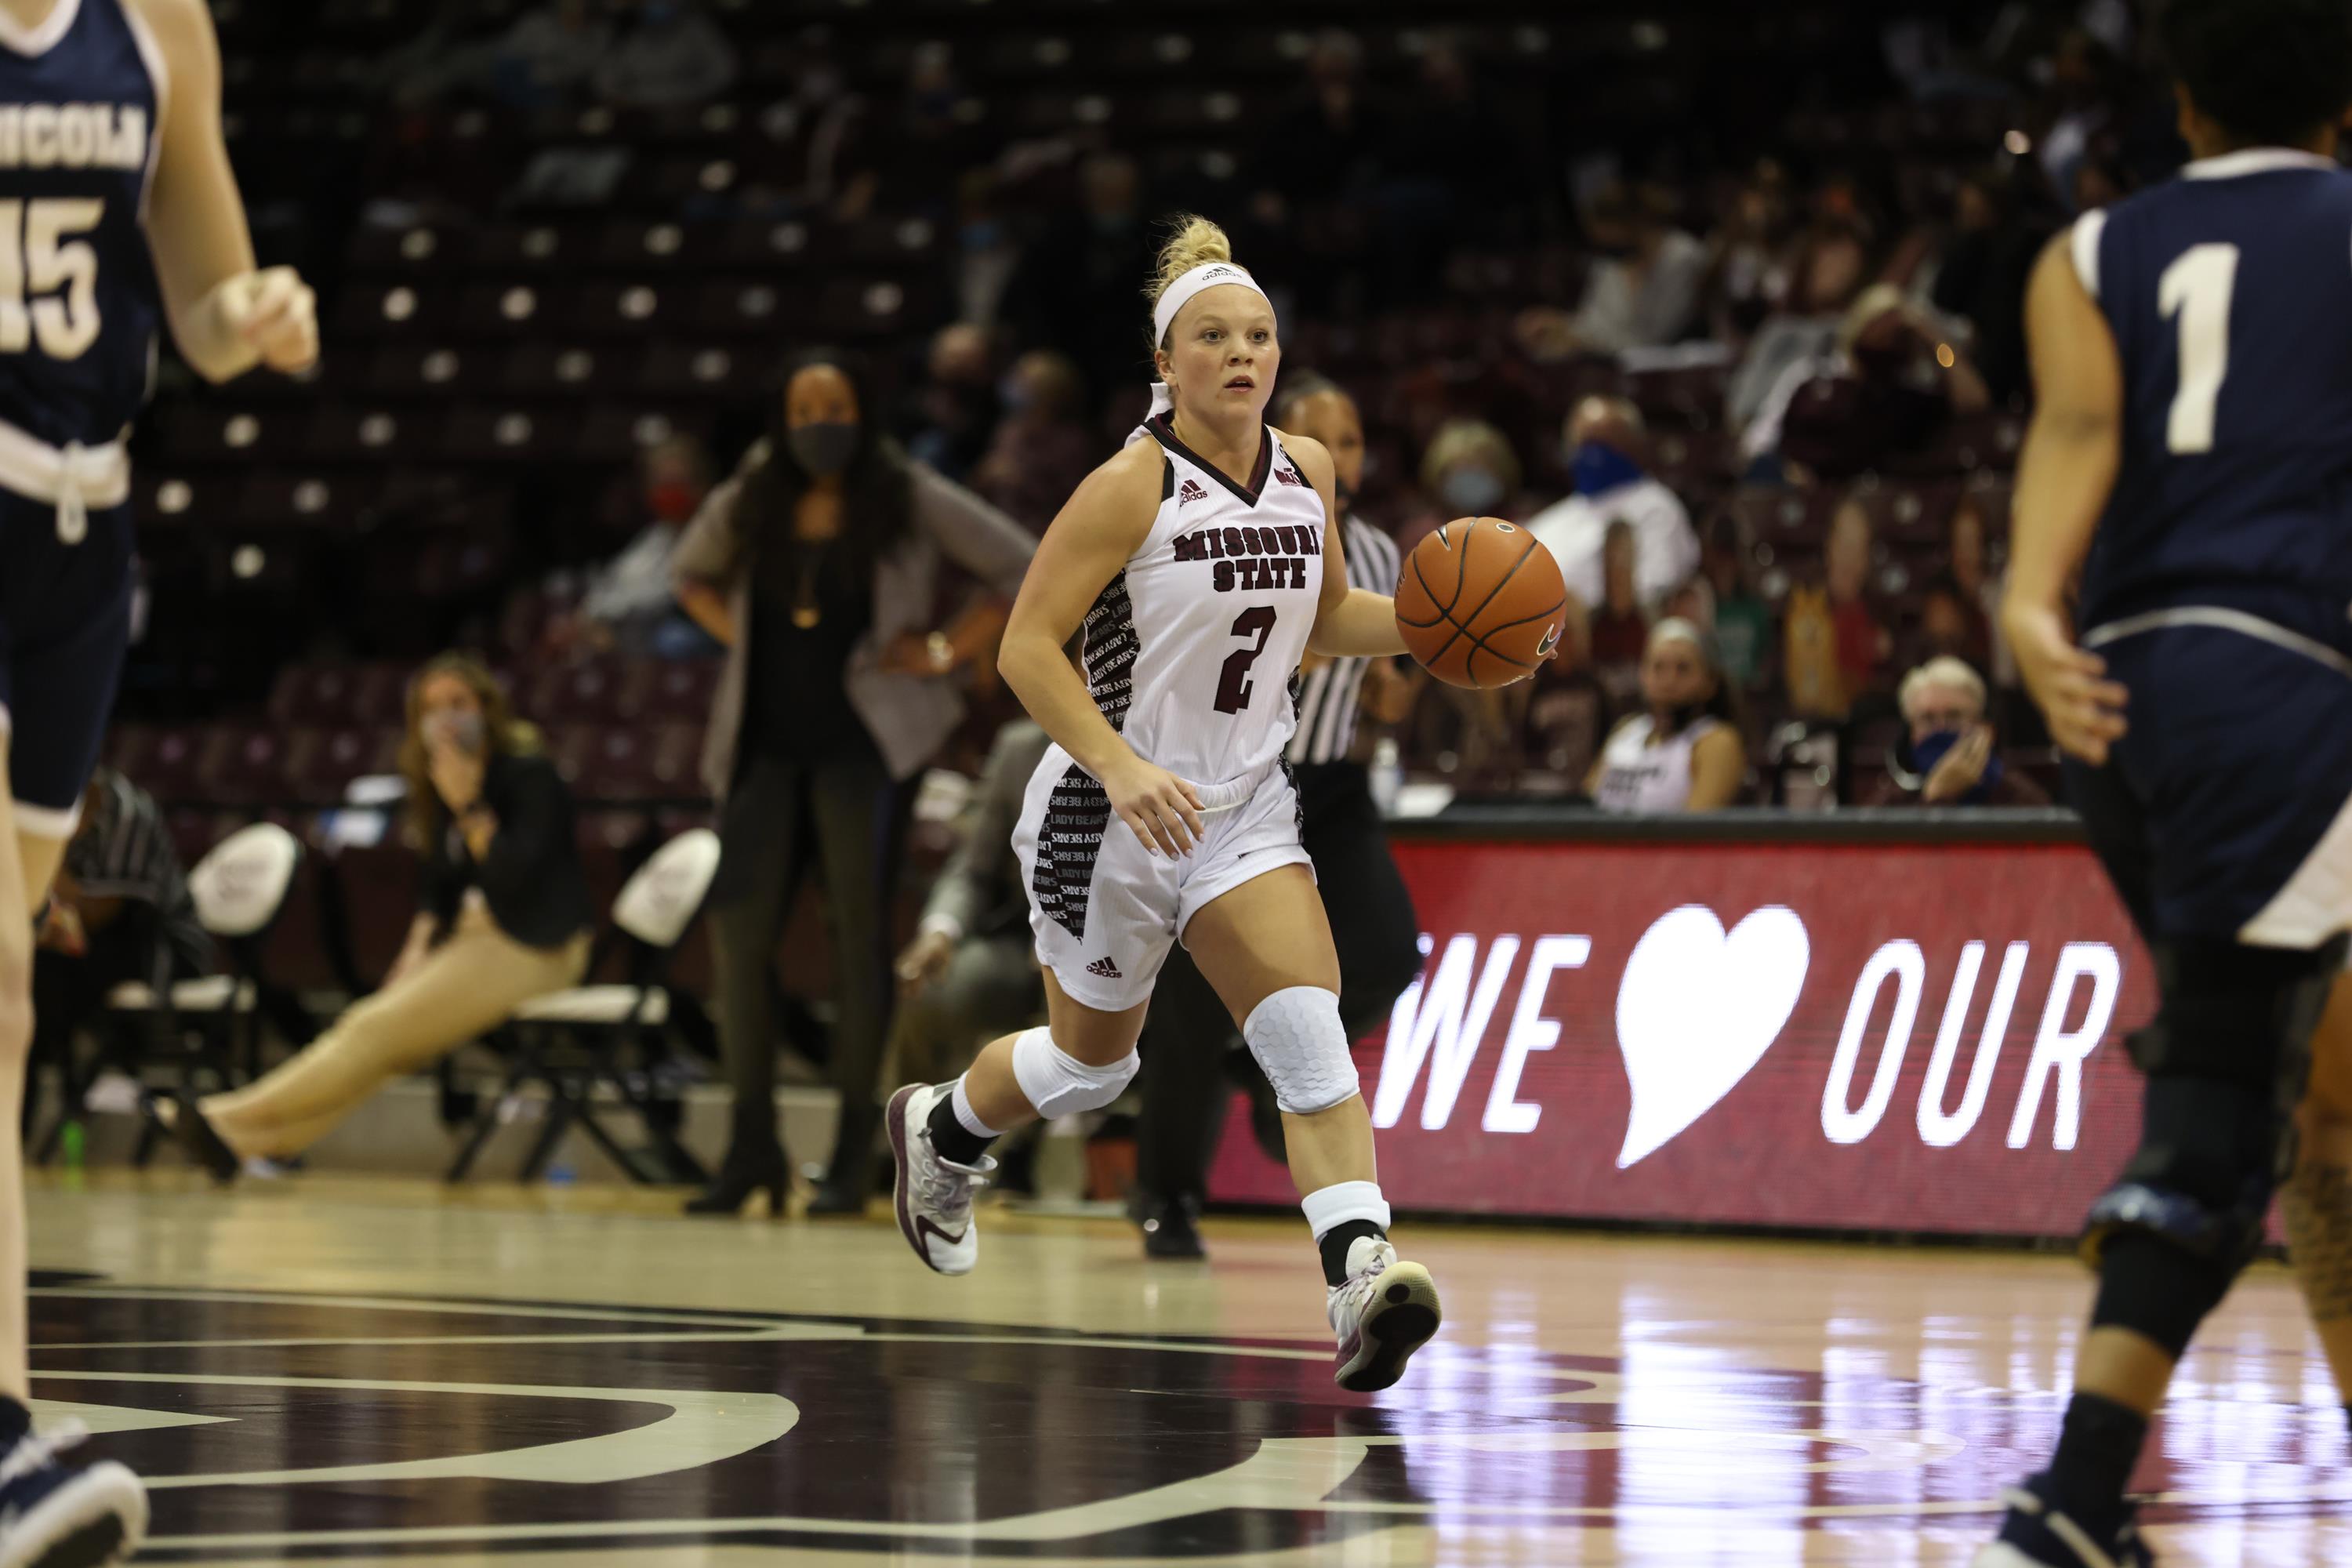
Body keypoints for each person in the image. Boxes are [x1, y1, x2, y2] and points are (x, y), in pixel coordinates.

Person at [885, 216, 1469, 1394]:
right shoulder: (1126, 486)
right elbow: (1027, 650)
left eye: (1258, 335)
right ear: (1168, 362)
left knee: (1310, 1037)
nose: (1242, 354)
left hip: (1244, 805)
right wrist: (1118, 764)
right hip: (1108, 809)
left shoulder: (1308, 468)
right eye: (1214, 337)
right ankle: (942, 1131)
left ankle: (1361, 1280)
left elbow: (1319, 626)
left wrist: (1437, 628)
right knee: (1091, 1066)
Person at [1977, 4, 2352, 1563]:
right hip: (2292, 685)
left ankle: (2075, 1496)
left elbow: (2073, 435)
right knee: (2225, 1110)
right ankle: (2067, 1497)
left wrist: (2022, 612)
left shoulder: (2088, 253)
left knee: (2322, 1111)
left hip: (2119, 701)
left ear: (2182, 104)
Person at [0, 0, 320, 1556]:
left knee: (5, 995)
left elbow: (195, 303)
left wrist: (253, 309)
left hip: (81, 529)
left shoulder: (154, 23)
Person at [670, 348, 1034, 1219]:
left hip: (865, 750)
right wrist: (744, 635)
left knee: (859, 948)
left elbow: (1018, 562)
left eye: (832, 408)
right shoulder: (758, 489)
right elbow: (690, 572)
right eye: (801, 411)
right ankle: (750, 1149)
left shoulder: (902, 490)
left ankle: (848, 1157)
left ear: (863, 414)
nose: (817, 426)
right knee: (740, 946)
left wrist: (946, 650)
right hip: (762, 745)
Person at [1127, 373, 1424, 1261]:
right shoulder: (1218, 526)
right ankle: (1168, 1195)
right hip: (1233, 781)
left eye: (1356, 437)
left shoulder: (1374, 550)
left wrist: (1406, 674)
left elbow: (1384, 681)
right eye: (1320, 431)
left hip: (1332, 783)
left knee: (1388, 951)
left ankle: (1263, 1071)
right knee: (1187, 1003)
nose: (1344, 451)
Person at [173, 656, 593, 1173]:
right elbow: (437, 892)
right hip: (474, 939)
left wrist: (468, 805)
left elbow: (515, 876)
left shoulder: (529, 774)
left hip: (537, 945)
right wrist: (411, 958)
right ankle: (246, 1143)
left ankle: (218, 1117)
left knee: (370, 1031)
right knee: (383, 1042)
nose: (446, 719)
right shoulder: (437, 783)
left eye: (458, 704)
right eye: (431, 708)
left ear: (487, 706)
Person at [28, 770, 211, 1138]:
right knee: (29, 974)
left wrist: (48, 859)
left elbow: (99, 913)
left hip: (160, 947)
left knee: (36, 986)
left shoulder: (126, 811)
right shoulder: (53, 804)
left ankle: (20, 1127)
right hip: (92, 946)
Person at [886, 719, 1050, 1106]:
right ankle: (917, 1139)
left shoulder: (1160, 744)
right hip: (1022, 946)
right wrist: (940, 932)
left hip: (1120, 959)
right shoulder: (1020, 746)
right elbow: (972, 868)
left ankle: (1019, 1156)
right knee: (932, 988)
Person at [1523, 395, 1700, 617]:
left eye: (1605, 441)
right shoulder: (1549, 522)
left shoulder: (1658, 508)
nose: (1593, 453)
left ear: (1633, 445)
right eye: (1584, 442)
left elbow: (1656, 589)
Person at [545, 434, 717, 659]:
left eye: (677, 484)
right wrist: (585, 621)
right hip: (634, 638)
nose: (670, 494)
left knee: (672, 639)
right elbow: (614, 587)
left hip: (700, 639)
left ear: (702, 485)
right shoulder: (652, 541)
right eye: (662, 485)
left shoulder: (716, 536)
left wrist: (608, 627)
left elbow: (671, 593)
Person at [1515, 181, 1707, 359]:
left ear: (1635, 225)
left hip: (1661, 368)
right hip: (1609, 362)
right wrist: (1560, 325)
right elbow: (1593, 321)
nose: (1605, 245)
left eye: (1611, 237)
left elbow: (1656, 340)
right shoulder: (1611, 262)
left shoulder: (1682, 258)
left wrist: (1582, 340)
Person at [1586, 619, 1744, 814]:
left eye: (1683, 669)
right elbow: (1586, 805)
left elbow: (1695, 830)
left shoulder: (1716, 741)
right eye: (1658, 667)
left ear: (1709, 683)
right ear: (1642, 675)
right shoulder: (1625, 730)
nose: (1668, 681)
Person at [1861, 656, 2049, 808]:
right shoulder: (1891, 803)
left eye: (1954, 716)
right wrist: (1935, 797)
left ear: (1984, 730)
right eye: (1927, 719)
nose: (1941, 728)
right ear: (1911, 734)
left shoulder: (2021, 799)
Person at [970, 350, 1097, 533]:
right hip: (1000, 530)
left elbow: (1078, 503)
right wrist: (984, 476)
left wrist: (1025, 482)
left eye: (1025, 382)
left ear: (1050, 393)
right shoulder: (1009, 430)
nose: (1016, 387)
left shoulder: (1072, 442)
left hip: (1045, 537)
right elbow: (980, 487)